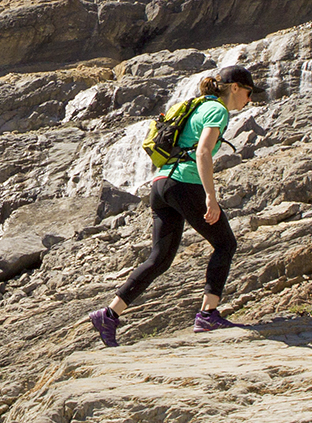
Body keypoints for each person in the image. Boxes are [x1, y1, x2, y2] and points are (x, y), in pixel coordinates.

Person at [88, 65, 258, 346]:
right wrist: (210, 197)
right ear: (236, 87)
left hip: (161, 183)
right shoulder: (217, 110)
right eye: (249, 92)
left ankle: (109, 314)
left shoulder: (198, 105)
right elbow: (203, 152)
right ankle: (208, 315)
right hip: (183, 183)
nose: (249, 100)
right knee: (225, 244)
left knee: (160, 258)